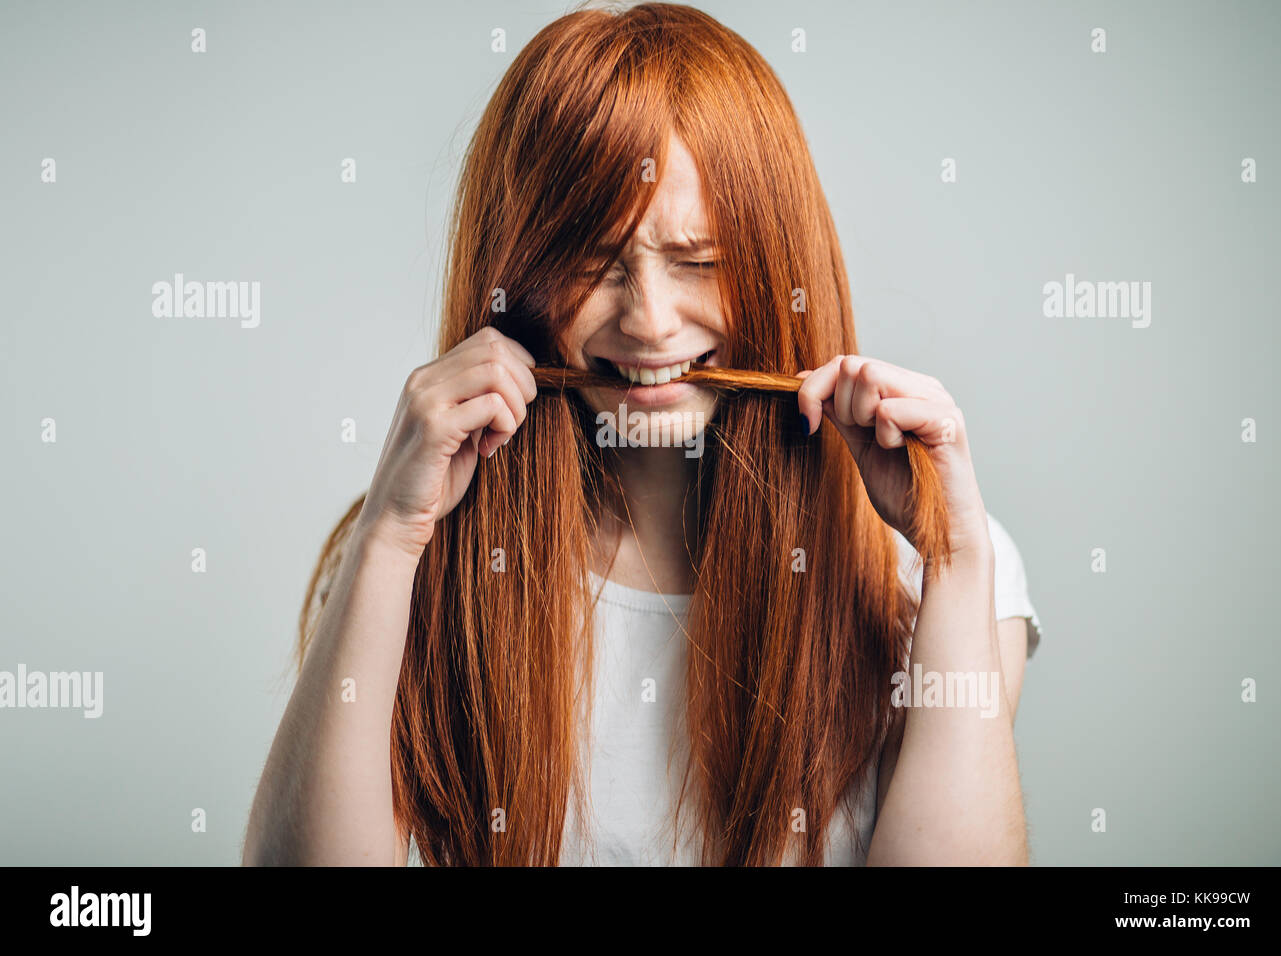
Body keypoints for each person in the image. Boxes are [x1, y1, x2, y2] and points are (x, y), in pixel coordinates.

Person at [243, 1, 1043, 867]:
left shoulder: (940, 570)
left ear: (780, 263)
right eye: (594, 261)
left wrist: (956, 561)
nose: (652, 324)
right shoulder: (416, 559)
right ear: (518, 278)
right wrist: (389, 542)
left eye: (700, 262)